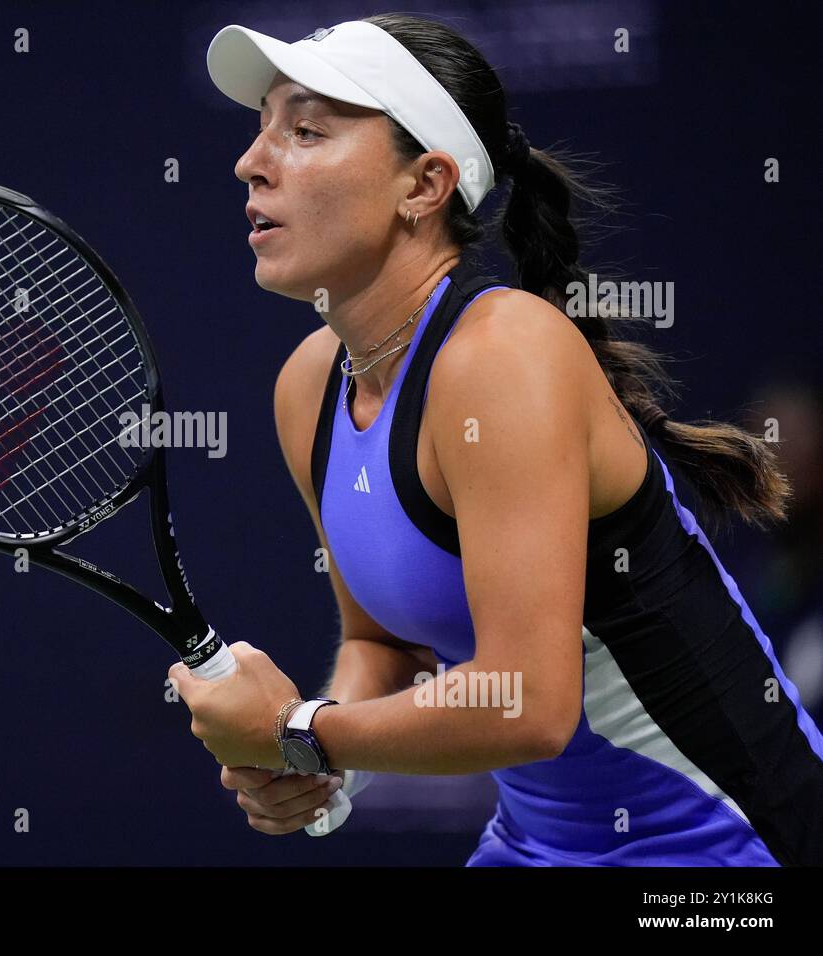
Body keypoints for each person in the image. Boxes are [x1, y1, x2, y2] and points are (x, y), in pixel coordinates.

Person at [168, 14, 823, 865]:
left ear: (425, 185)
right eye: (261, 129)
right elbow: (385, 642)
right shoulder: (309, 386)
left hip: (728, 856)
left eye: (305, 130)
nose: (251, 161)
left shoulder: (507, 357)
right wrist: (330, 771)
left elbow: (530, 706)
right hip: (532, 846)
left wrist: (300, 733)